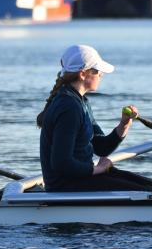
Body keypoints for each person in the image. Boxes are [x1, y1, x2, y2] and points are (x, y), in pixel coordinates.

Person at [37, 44, 141, 192]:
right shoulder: (68, 107)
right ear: (82, 74)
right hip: (65, 187)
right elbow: (62, 163)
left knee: (150, 186)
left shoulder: (80, 102)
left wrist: (124, 124)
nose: (101, 75)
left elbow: (102, 147)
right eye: (97, 71)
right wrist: (98, 169)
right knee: (145, 192)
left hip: (80, 179)